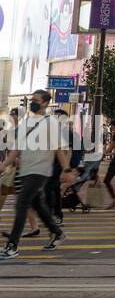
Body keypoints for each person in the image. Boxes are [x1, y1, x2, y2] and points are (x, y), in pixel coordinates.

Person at [0, 89, 69, 259]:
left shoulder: (51, 122)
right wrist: (4, 164)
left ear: (45, 103)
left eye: (36, 99)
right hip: (25, 170)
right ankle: (57, 232)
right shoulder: (26, 121)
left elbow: (59, 149)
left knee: (21, 204)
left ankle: (12, 246)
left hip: (40, 171)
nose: (33, 102)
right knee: (37, 204)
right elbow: (16, 148)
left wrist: (66, 170)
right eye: (32, 99)